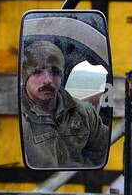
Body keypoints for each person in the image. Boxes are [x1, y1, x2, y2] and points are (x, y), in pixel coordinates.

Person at [20, 39, 110, 168]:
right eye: (37, 72)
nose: (47, 80)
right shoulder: (18, 119)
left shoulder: (85, 113)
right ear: (25, 77)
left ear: (62, 76)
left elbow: (106, 152)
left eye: (55, 72)